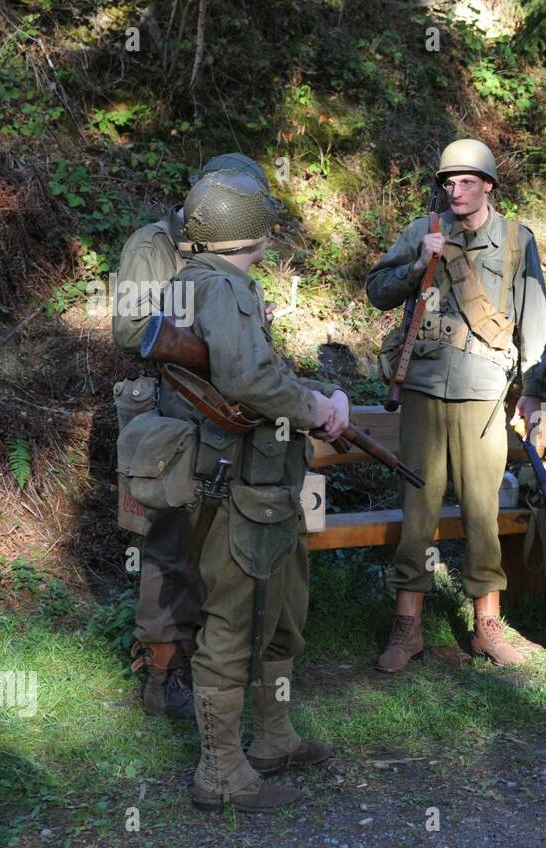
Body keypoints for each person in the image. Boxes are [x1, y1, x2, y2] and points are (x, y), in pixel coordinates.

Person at [158, 170, 350, 810]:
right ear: (252, 231)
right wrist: (318, 409)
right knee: (234, 623)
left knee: (281, 612)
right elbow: (249, 380)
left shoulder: (191, 282)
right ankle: (220, 773)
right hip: (239, 487)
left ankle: (273, 737)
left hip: (249, 485)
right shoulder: (227, 290)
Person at [366, 139, 546, 671]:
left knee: (481, 511)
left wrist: (534, 390)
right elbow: (376, 290)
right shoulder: (422, 231)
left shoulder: (518, 241)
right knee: (418, 512)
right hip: (422, 387)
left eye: (467, 181)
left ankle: (487, 623)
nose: (456, 190)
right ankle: (408, 627)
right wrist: (415, 265)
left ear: (489, 185)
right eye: (449, 182)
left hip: (485, 395)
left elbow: (534, 319)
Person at [110, 153, 272, 719]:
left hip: (218, 418)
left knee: (213, 545)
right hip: (166, 414)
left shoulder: (230, 249)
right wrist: (217, 350)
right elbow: (131, 330)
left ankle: (211, 665)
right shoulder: (153, 246)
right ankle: (161, 674)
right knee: (166, 545)